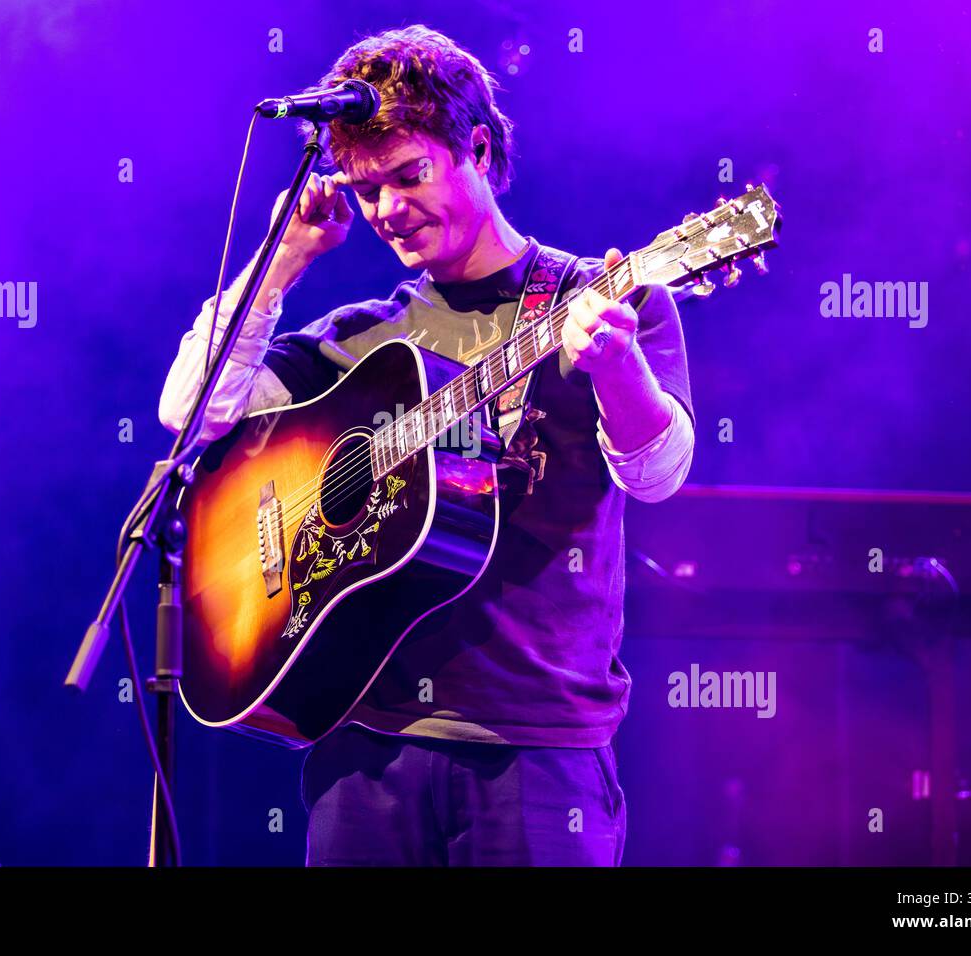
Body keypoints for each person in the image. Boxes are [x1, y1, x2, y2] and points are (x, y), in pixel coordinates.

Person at [159, 24, 694, 866]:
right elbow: (189, 408)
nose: (387, 211)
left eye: (409, 176)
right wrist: (283, 259)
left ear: (476, 149)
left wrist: (619, 367)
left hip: (537, 745)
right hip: (364, 742)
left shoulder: (603, 300)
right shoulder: (360, 339)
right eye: (367, 190)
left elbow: (658, 474)